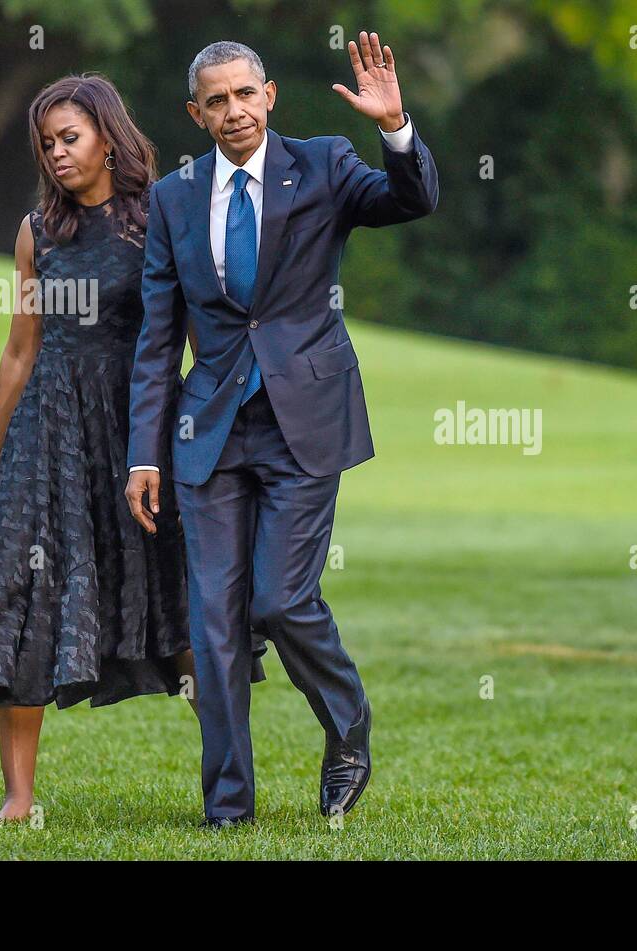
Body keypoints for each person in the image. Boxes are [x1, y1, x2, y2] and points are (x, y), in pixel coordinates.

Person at [125, 35, 438, 827]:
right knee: (214, 621)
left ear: (270, 95)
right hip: (210, 430)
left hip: (306, 416)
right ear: (196, 114)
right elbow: (158, 337)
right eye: (216, 101)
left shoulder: (327, 164)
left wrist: (395, 125)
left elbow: (411, 201)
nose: (234, 111)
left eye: (245, 94)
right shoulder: (175, 197)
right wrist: (142, 455)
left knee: (281, 598)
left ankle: (349, 728)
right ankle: (228, 807)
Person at [0, 75, 197, 822]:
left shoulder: (160, 219)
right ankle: (19, 796)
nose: (57, 153)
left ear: (107, 136)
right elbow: (18, 352)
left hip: (138, 434)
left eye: (70, 137)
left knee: (179, 594)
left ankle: (229, 778)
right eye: (47, 143)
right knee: (20, 588)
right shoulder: (38, 230)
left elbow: (196, 338)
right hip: (47, 433)